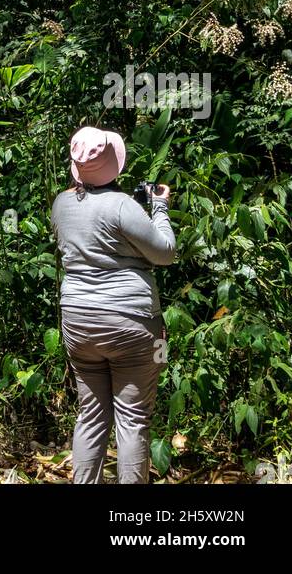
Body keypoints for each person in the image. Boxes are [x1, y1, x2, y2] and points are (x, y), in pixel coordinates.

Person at [50, 125, 177, 484]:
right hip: (132, 324)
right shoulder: (122, 205)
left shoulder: (61, 204)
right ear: (113, 164)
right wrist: (160, 207)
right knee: (134, 418)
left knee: (91, 414)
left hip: (78, 322)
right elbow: (165, 253)